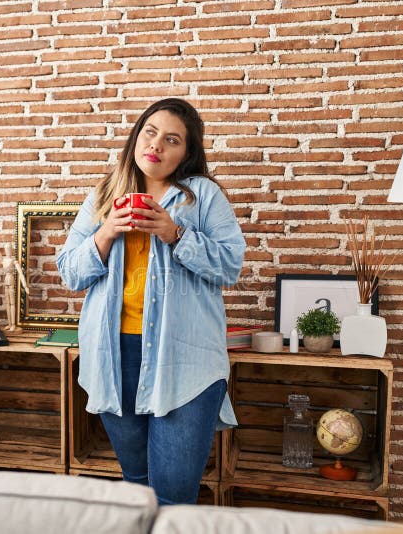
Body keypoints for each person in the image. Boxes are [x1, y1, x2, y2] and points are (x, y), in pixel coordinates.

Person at [57, 98, 245, 505]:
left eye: (172, 139)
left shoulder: (203, 196)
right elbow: (70, 273)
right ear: (136, 137)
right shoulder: (105, 195)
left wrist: (176, 234)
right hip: (112, 357)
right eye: (150, 132)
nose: (156, 145)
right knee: (137, 485)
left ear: (186, 153)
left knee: (173, 496)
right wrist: (106, 232)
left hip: (185, 359)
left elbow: (230, 265)